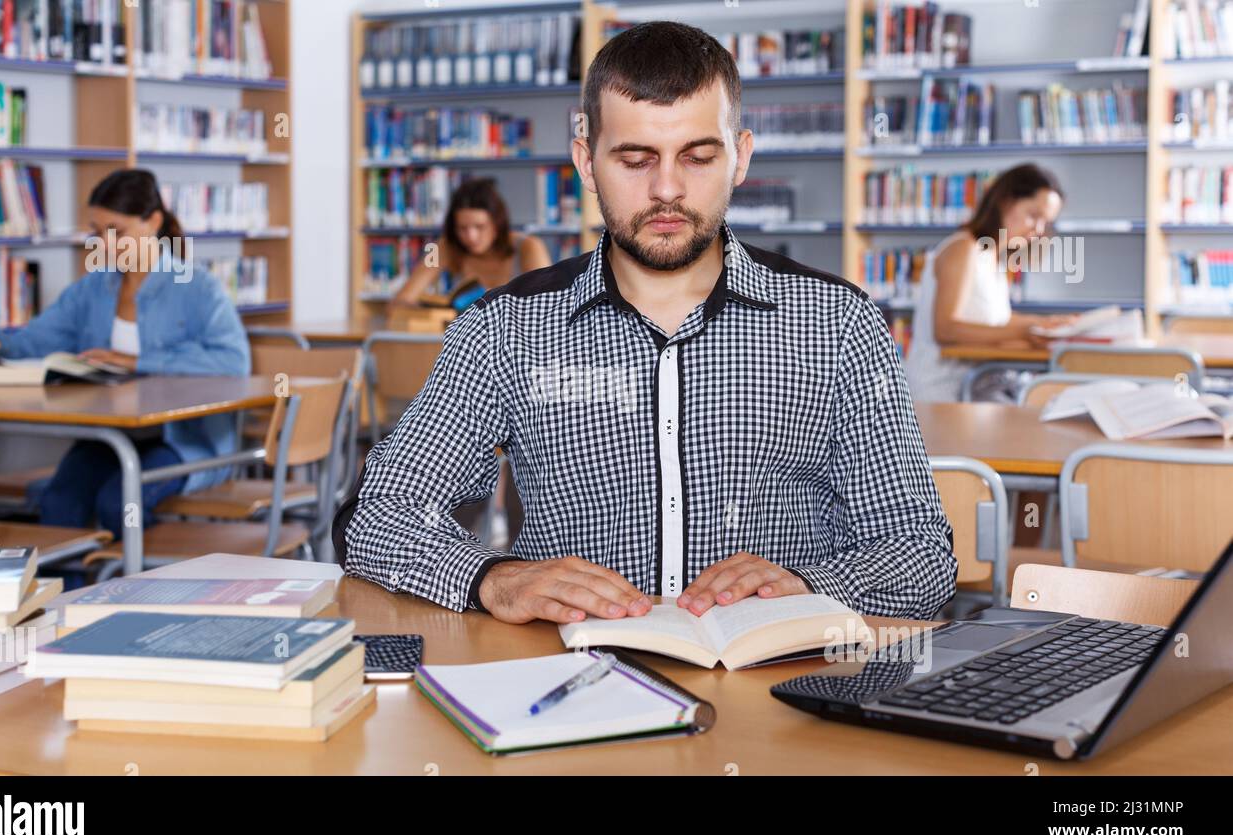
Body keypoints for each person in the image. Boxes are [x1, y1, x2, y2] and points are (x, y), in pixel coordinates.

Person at [336, 21, 957, 625]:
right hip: (569, 688)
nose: (666, 189)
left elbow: (921, 555)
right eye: (635, 159)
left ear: (740, 158)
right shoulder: (505, 329)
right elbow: (376, 515)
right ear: (586, 162)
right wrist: (490, 578)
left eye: (697, 156)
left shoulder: (839, 324)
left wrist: (806, 585)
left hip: (774, 694)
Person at [0, 169, 250, 538]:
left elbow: (233, 361)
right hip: (110, 437)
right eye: (97, 232)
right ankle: (66, 595)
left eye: (117, 231)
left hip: (184, 442)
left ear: (152, 221)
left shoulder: (198, 288)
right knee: (59, 502)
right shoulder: (92, 290)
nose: (105, 243)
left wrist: (137, 362)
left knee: (119, 503)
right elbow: (35, 339)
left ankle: (143, 591)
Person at [903, 163, 1078, 402]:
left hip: (978, 387)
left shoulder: (993, 258)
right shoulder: (963, 248)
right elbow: (945, 330)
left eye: (1045, 223)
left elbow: (995, 322)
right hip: (942, 393)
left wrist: (1045, 324)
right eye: (1033, 216)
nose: (1038, 230)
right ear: (1005, 202)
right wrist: (1026, 330)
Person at [389, 177, 551, 311]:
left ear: (497, 224)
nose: (471, 237)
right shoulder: (443, 247)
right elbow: (400, 302)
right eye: (462, 228)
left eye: (480, 227)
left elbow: (546, 307)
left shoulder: (529, 247)